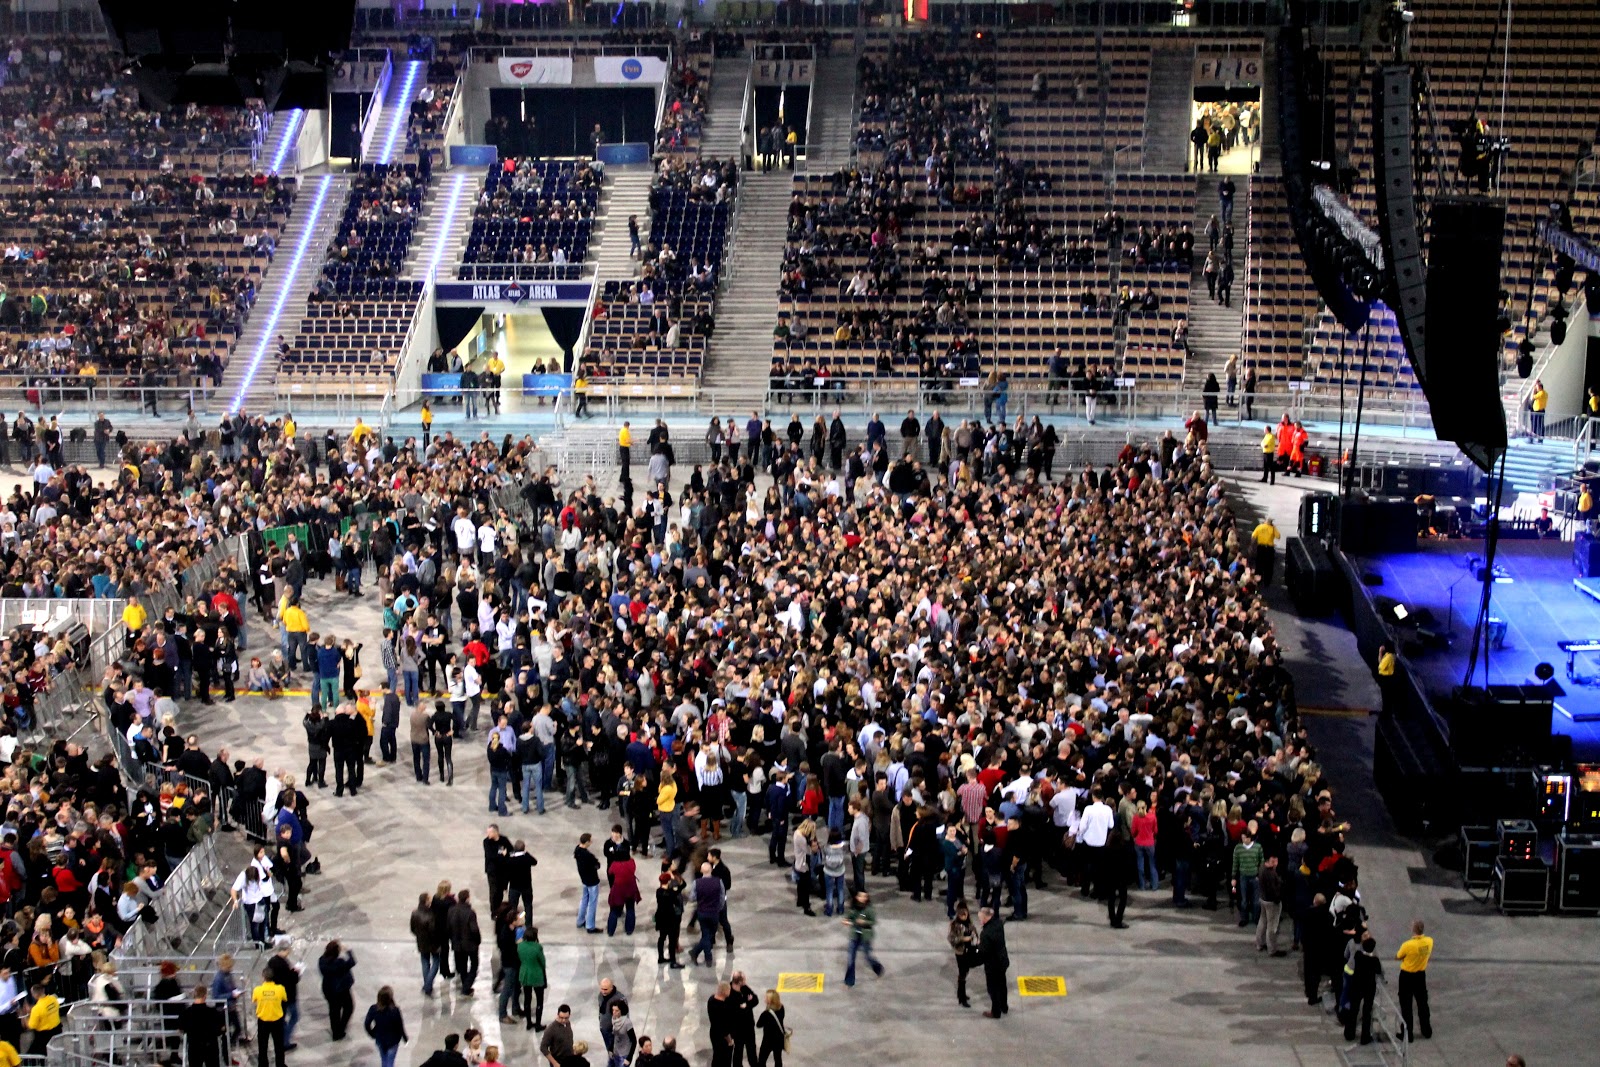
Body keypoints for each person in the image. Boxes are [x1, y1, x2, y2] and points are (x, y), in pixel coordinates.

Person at [1396, 919, 1434, 1042]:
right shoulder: (1429, 941)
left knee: (1406, 1005)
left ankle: (1408, 1034)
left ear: (1414, 930)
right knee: (1422, 1003)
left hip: (1407, 976)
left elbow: (1399, 956)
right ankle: (1426, 1030)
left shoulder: (1408, 944)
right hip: (1420, 975)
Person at [1343, 936, 1383, 1044]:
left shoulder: (1358, 955)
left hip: (1357, 985)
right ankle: (1365, 1036)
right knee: (1367, 1011)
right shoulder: (1374, 960)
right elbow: (1379, 971)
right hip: (1369, 987)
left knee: (1354, 1009)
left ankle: (1349, 1033)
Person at [841, 890, 884, 987]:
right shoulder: (853, 908)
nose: (863, 898)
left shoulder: (869, 909)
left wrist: (864, 922)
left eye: (865, 897)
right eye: (861, 896)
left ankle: (878, 968)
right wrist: (846, 921)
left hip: (865, 937)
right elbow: (848, 917)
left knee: (868, 957)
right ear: (857, 897)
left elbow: (873, 922)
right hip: (854, 936)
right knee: (851, 959)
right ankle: (849, 981)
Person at [178, 984, 225, 1067]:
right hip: (210, 1047)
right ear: (205, 996)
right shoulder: (213, 1012)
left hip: (194, 1047)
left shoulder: (186, 1013)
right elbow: (222, 1029)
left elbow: (181, 1029)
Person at [318, 940, 357, 1040]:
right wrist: (348, 950)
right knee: (348, 1007)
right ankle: (341, 1028)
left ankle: (335, 1032)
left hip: (328, 989)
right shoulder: (339, 963)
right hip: (341, 990)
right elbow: (352, 961)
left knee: (333, 1010)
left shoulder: (322, 960)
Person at [363, 986, 409, 1067]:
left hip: (380, 1039)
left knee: (384, 1059)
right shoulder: (395, 1011)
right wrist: (405, 1039)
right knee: (390, 1061)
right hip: (393, 1041)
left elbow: (367, 1024)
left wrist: (372, 1034)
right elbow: (400, 1027)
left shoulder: (374, 1009)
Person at [252, 968, 288, 1067]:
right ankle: (280, 1064)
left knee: (263, 1045)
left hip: (263, 1021)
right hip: (277, 1021)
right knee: (279, 1045)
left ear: (263, 977)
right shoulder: (280, 988)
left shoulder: (257, 990)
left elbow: (254, 1000)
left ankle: (263, 1064)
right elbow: (284, 998)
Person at [978, 906, 1009, 1019]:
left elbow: (983, 952)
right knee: (1002, 985)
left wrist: (977, 947)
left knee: (992, 988)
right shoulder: (999, 923)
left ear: (986, 918)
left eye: (981, 918)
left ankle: (995, 1012)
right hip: (1003, 960)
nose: (980, 921)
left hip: (993, 965)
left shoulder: (985, 934)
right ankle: (1004, 1006)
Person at [519, 927, 548, 1031]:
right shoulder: (537, 947)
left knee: (527, 999)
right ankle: (538, 1024)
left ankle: (528, 1023)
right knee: (539, 1001)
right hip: (536, 975)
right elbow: (543, 962)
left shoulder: (520, 946)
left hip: (524, 975)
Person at [756, 989, 787, 1067]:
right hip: (779, 1038)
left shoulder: (766, 1014)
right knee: (778, 1059)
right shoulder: (781, 1007)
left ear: (770, 1000)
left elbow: (758, 1025)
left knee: (762, 1060)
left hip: (768, 1040)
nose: (764, 999)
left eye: (766, 997)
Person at [1251, 516, 1279, 586]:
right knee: (1269, 566)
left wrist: (1252, 546)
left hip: (1261, 548)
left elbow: (1253, 536)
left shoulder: (1259, 527)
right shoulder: (1272, 528)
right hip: (1269, 549)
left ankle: (1258, 580)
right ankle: (1267, 582)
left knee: (1259, 564)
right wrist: (1274, 528)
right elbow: (1278, 536)